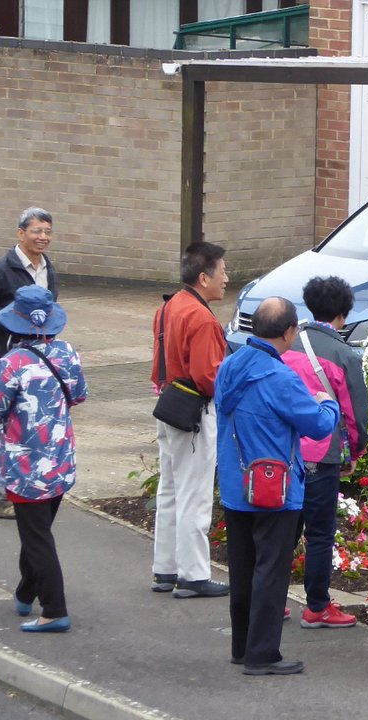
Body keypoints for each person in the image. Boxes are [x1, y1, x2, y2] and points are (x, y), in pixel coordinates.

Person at [215, 297, 339, 676]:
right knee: (271, 570)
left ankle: (242, 647)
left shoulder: (230, 365)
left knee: (242, 570)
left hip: (237, 485)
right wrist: (327, 401)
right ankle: (263, 654)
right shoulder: (281, 377)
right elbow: (318, 426)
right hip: (274, 490)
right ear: (289, 331)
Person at [0, 285, 87, 633]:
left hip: (25, 467)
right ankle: (25, 593)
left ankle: (54, 609)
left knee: (37, 537)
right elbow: (79, 394)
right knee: (37, 531)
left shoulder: (12, 362)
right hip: (59, 461)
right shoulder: (67, 353)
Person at [282, 276, 368, 629]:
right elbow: (354, 414)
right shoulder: (344, 355)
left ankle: (273, 601)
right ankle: (317, 606)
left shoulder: (288, 344)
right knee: (319, 533)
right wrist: (356, 448)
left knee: (284, 529)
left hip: (285, 450)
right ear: (343, 314)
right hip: (322, 454)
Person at [149, 242, 231, 599]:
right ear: (204, 277)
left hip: (169, 406)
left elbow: (159, 363)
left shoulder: (168, 307)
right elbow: (208, 377)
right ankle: (194, 574)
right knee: (194, 494)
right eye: (223, 271)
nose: (227, 278)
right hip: (195, 412)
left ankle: (165, 568)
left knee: (169, 490)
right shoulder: (202, 318)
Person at [0, 207, 60, 519]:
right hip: (3, 358)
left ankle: (28, 489)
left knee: (31, 426)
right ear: (21, 233)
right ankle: (1, 497)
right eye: (36, 231)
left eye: (47, 231)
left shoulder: (48, 268)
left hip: (38, 359)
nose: (43, 237)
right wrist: (14, 323)